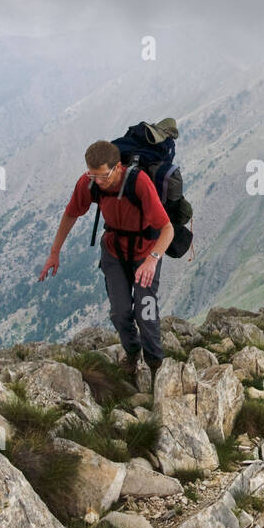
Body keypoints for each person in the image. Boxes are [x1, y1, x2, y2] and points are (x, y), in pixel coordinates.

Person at [38, 140, 175, 381]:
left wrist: (152, 260)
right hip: (113, 251)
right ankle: (132, 355)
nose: (98, 182)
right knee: (119, 312)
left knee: (146, 311)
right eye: (93, 175)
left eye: (103, 176)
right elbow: (71, 213)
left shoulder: (139, 182)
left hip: (145, 253)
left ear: (118, 167)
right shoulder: (89, 181)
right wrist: (54, 252)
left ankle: (156, 366)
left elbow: (167, 229)